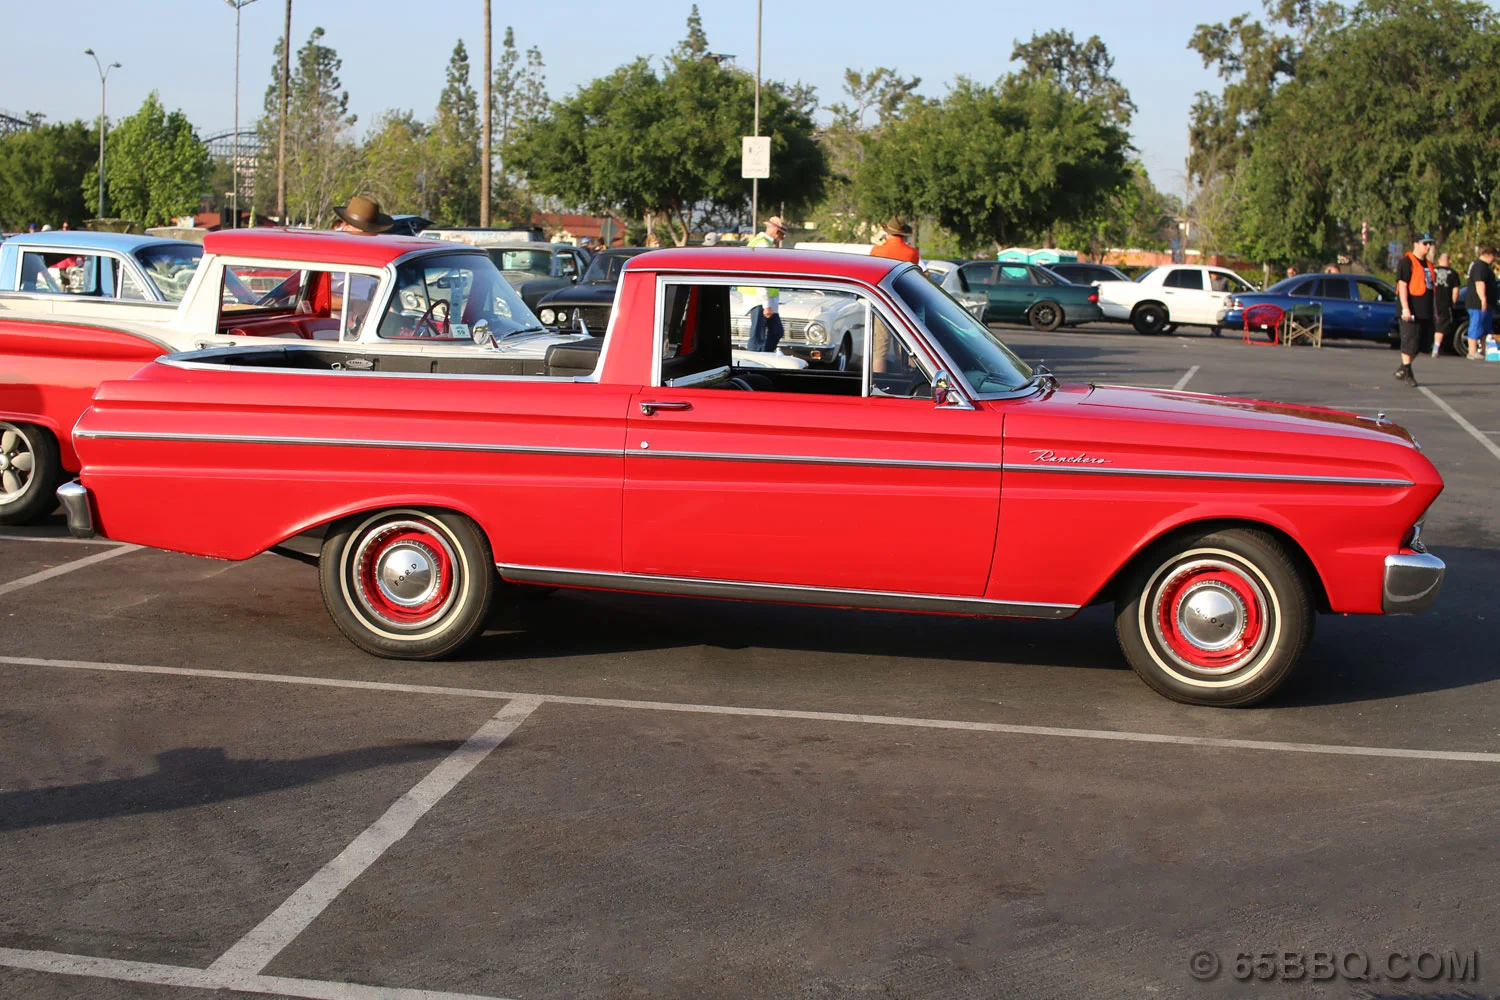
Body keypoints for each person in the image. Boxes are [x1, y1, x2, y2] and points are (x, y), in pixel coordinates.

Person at [1394, 233, 1436, 386]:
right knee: (1409, 341)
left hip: (1425, 311)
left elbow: (1432, 290)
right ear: (1416, 244)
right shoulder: (1406, 262)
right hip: (1411, 310)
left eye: (1429, 244)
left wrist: (1435, 312)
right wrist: (1405, 308)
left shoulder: (1429, 265)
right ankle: (1407, 372)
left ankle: (1403, 368)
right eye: (1425, 243)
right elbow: (1403, 286)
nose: (1428, 247)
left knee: (1423, 344)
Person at [743, 216, 787, 352]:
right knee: (757, 337)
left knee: (776, 331)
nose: (782, 237)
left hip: (763, 298)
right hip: (759, 299)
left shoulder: (759, 243)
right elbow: (760, 276)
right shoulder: (763, 245)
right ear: (775, 231)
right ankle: (755, 363)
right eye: (782, 233)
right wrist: (766, 304)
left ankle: (766, 356)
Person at [1464, 246, 1496, 360]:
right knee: (1476, 326)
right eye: (1494, 256)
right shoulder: (1479, 266)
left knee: (1484, 328)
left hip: (1486, 305)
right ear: (1490, 255)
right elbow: (1479, 283)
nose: (1495, 259)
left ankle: (1482, 350)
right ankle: (1472, 352)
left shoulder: (1484, 267)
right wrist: (1483, 299)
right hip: (1477, 304)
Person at [1432, 251, 1461, 358]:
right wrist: (1452, 303)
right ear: (1449, 261)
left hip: (1431, 301)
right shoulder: (1453, 273)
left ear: (1439, 260)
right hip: (1444, 303)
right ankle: (1435, 349)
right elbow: (1456, 291)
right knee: (1441, 326)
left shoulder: (1432, 271)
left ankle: (1424, 346)